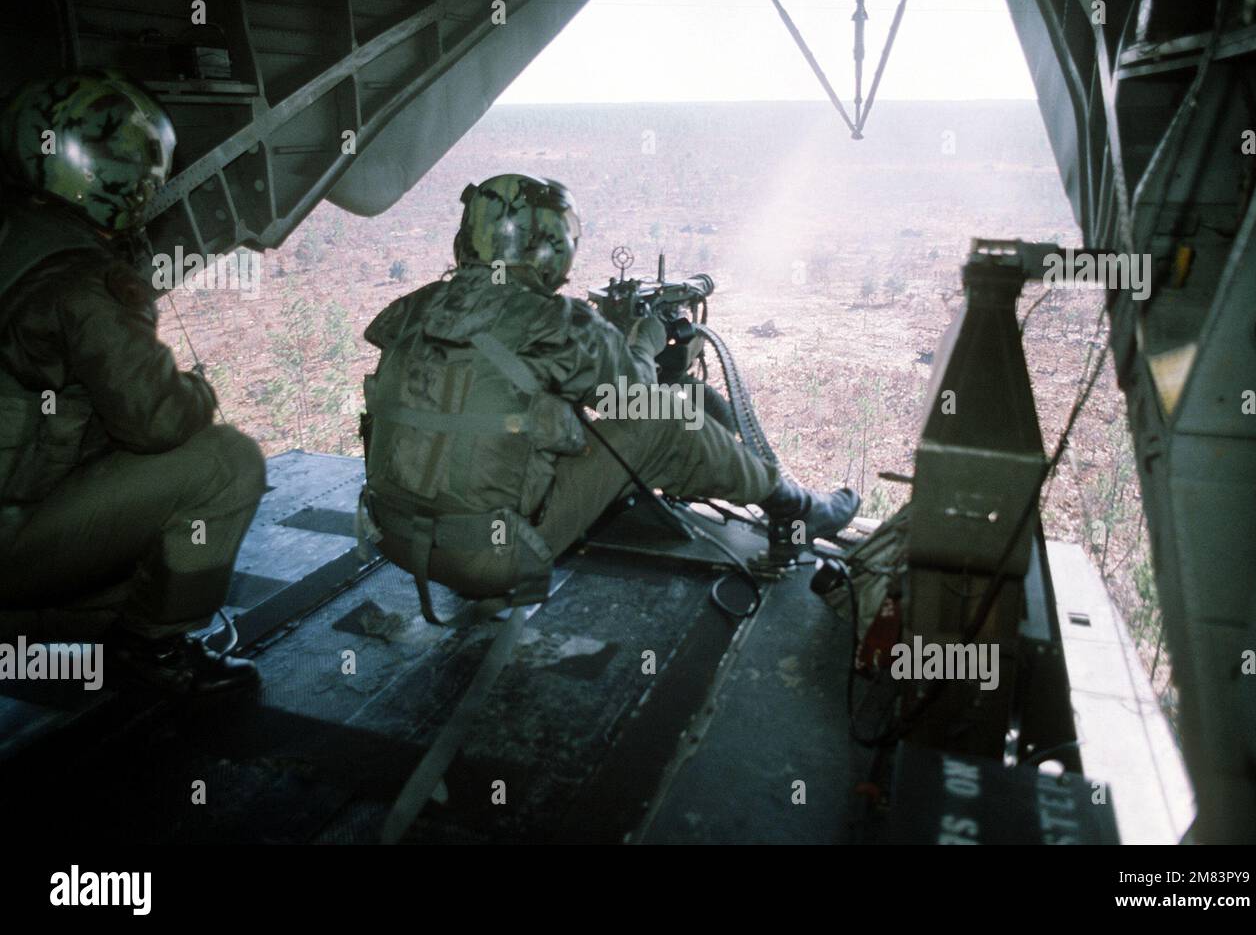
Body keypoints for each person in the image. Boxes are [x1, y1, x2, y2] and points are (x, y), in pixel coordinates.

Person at [360, 173, 859, 604]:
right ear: (549, 245)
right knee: (669, 418)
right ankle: (793, 508)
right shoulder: (554, 321)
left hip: (396, 537)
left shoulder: (416, 308)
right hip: (488, 556)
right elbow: (634, 399)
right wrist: (643, 342)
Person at [0, 70, 263, 695]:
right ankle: (152, 652)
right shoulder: (81, 281)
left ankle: (62, 626)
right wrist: (200, 391)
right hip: (9, 536)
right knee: (227, 462)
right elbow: (158, 419)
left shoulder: (18, 237)